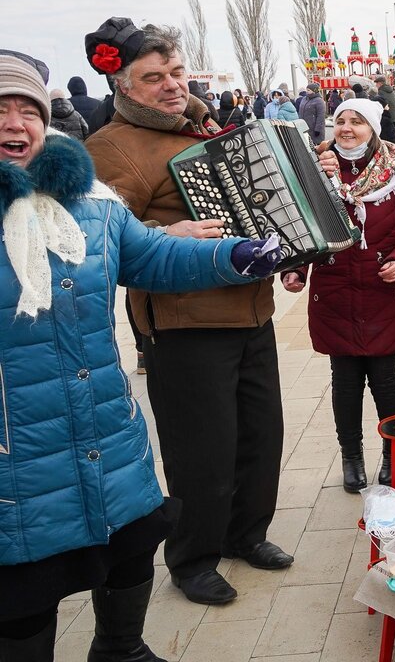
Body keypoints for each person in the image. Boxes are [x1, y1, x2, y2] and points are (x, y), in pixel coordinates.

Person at [0, 53, 280, 661]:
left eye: (29, 110)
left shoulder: (90, 203)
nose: (15, 124)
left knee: (127, 550)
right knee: (26, 586)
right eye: (1, 110)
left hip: (104, 421)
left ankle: (122, 651)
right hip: (19, 443)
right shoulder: (114, 154)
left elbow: (150, 255)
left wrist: (232, 256)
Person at [84, 18, 293, 607]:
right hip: (183, 322)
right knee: (202, 449)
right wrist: (164, 232)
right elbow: (103, 239)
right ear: (123, 86)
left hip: (250, 308)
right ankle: (192, 557)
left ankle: (245, 534)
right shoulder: (111, 147)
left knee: (261, 435)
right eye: (154, 78)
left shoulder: (206, 126)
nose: (171, 85)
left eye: (176, 72)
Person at [282, 99, 395, 492]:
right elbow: (302, 227)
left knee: (386, 380)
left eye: (357, 122)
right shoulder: (313, 168)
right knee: (345, 382)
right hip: (334, 294)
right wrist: (297, 268)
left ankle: (393, 452)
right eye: (341, 121)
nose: (346, 128)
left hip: (385, 293)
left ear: (375, 127)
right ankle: (351, 456)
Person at [374, 75, 395, 142]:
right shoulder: (391, 90)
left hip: (390, 117)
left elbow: (382, 104)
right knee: (393, 135)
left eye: (376, 83)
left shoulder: (381, 92)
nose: (376, 85)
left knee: (388, 137)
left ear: (380, 83)